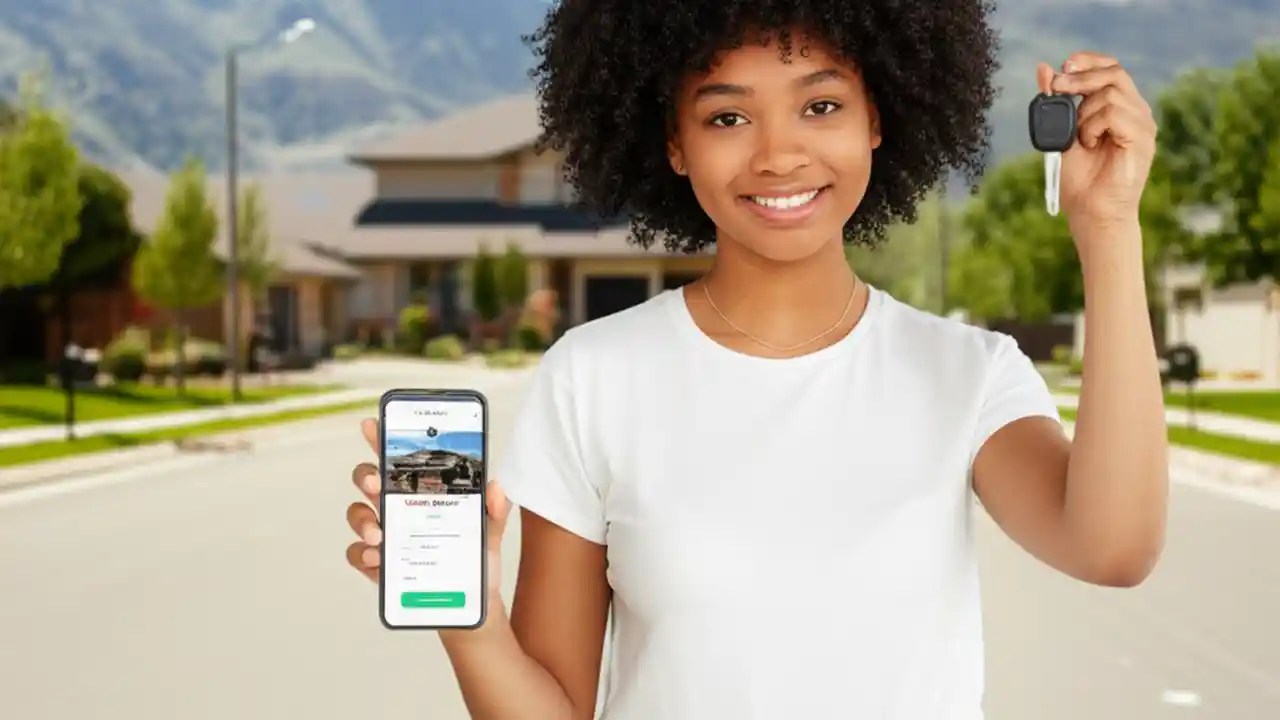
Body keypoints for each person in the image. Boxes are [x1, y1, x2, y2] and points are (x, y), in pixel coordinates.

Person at [344, 1, 1169, 717]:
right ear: (674, 143)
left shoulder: (969, 374)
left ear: (877, 118)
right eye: (727, 117)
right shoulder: (592, 378)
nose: (778, 155)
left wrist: (1108, 230)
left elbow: (1113, 548)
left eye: (820, 105)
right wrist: (469, 619)